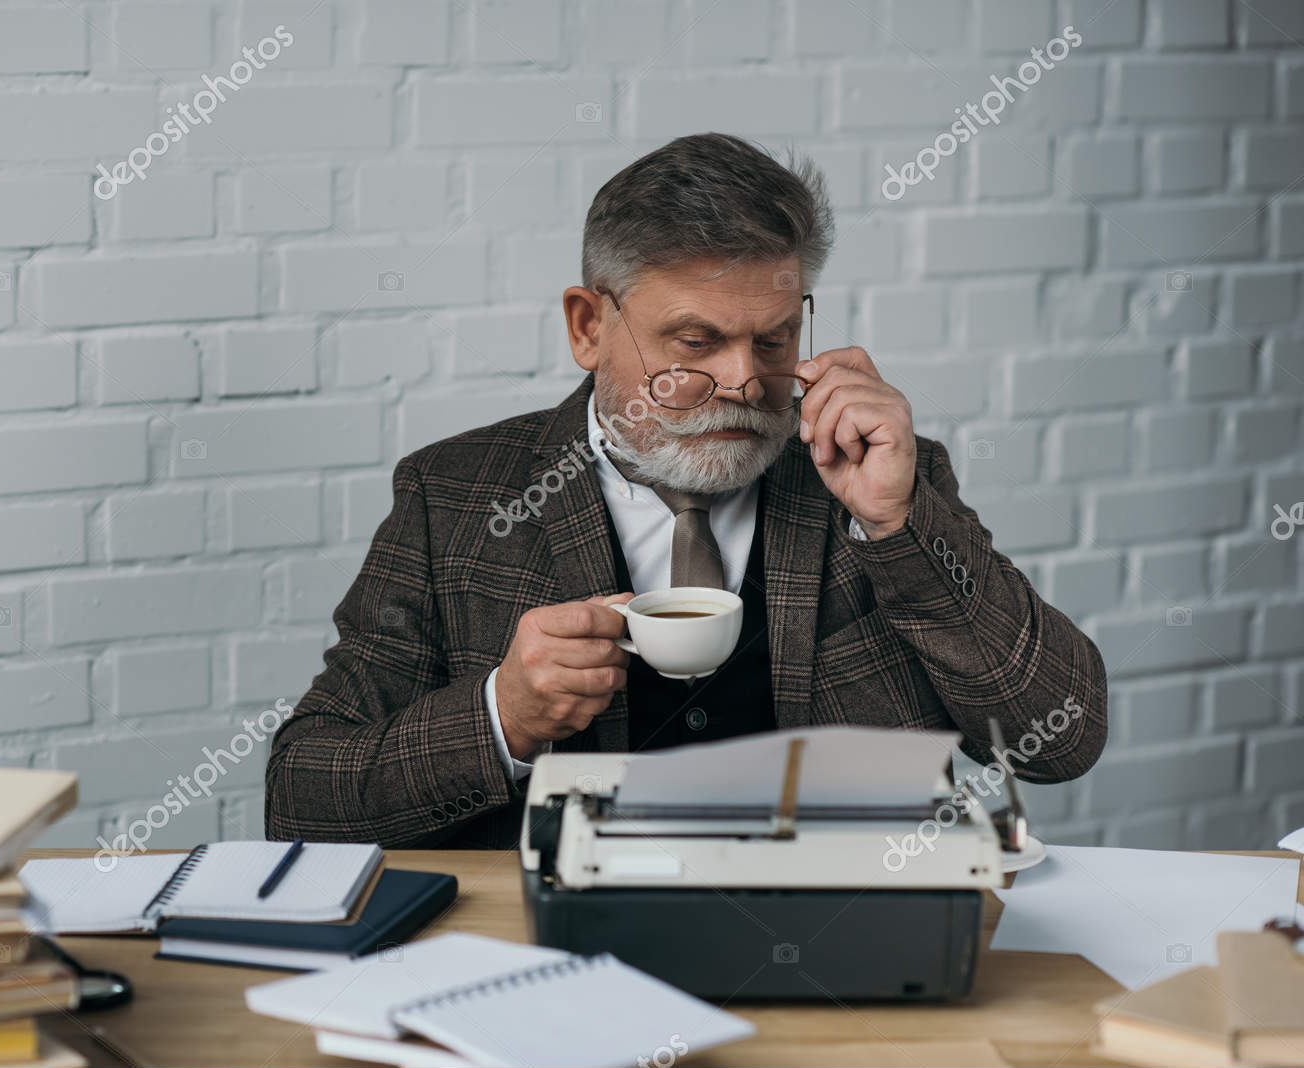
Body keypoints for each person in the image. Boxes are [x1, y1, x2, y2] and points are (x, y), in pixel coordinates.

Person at [265, 132, 1107, 848]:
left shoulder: (874, 475)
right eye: (696, 342)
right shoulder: (450, 495)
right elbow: (300, 798)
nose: (744, 381)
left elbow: (1061, 740)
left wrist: (897, 525)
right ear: (589, 327)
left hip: (842, 932)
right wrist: (501, 716)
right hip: (561, 947)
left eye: (774, 339)